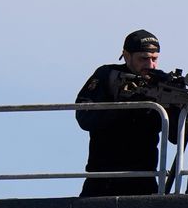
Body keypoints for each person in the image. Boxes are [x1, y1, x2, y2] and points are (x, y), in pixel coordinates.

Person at [76, 29, 179, 197]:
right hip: (103, 179)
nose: (150, 65)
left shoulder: (162, 87)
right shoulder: (107, 75)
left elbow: (175, 137)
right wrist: (127, 105)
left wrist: (185, 112)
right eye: (143, 58)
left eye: (154, 59)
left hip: (144, 180)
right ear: (126, 55)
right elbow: (84, 117)